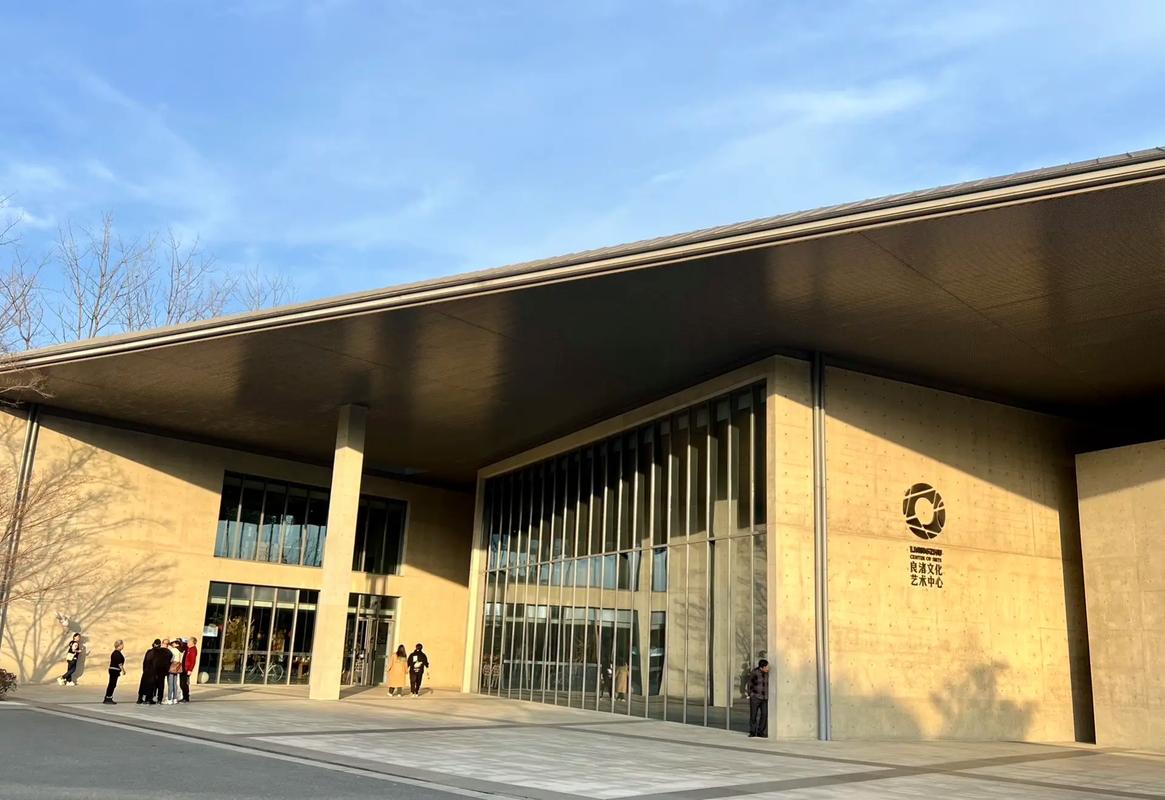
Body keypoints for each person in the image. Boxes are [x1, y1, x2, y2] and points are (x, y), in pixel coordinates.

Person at [747, 658, 770, 738]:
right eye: (767, 667)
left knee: (764, 714)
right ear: (762, 667)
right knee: (753, 715)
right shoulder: (755, 672)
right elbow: (750, 683)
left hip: (764, 698)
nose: (768, 668)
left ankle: (761, 732)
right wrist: (751, 694)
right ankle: (752, 732)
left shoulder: (767, 674)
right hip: (755, 697)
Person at [137, 639, 163, 704]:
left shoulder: (149, 651)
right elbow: (157, 663)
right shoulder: (158, 652)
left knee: (143, 685)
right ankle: (148, 699)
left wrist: (144, 670)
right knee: (151, 686)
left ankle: (140, 699)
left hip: (146, 671)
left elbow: (144, 661)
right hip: (153, 672)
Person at [103, 640, 126, 704]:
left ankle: (108, 697)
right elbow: (119, 663)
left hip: (114, 670)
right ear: (119, 645)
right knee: (112, 684)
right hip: (114, 670)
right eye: (122, 644)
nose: (123, 646)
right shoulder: (117, 653)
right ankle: (108, 698)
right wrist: (123, 670)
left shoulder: (116, 653)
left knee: (112, 684)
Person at [180, 636, 198, 703]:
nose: (188, 642)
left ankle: (186, 698)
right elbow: (182, 647)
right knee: (182, 684)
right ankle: (184, 697)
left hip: (187, 669)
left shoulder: (193, 650)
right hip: (183, 668)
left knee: (184, 684)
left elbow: (193, 661)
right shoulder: (188, 648)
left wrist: (190, 670)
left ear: (192, 642)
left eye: (189, 641)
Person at [164, 638, 182, 704]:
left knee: (170, 684)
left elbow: (170, 659)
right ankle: (175, 698)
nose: (172, 644)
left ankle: (169, 699)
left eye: (173, 643)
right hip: (177, 668)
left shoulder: (173, 650)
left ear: (176, 643)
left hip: (172, 667)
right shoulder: (180, 651)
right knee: (175, 684)